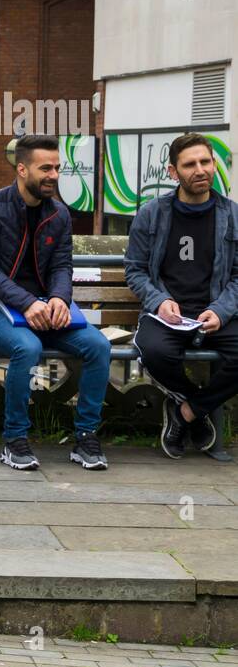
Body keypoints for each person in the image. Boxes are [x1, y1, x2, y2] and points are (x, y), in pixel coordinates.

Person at [0, 134, 112, 471]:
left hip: (43, 309)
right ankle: (15, 440)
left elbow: (62, 265)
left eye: (57, 168)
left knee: (98, 346)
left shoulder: (60, 215)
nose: (53, 175)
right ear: (22, 169)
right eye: (45, 168)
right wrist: (26, 303)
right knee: (27, 347)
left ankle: (86, 437)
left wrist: (59, 299)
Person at [125, 133, 238, 460]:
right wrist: (158, 300)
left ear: (214, 165)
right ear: (173, 172)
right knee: (153, 351)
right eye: (190, 164)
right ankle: (197, 410)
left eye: (206, 162)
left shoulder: (232, 215)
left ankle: (186, 412)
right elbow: (134, 269)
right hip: (167, 316)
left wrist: (221, 309)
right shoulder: (152, 214)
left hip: (216, 314)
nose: (200, 170)